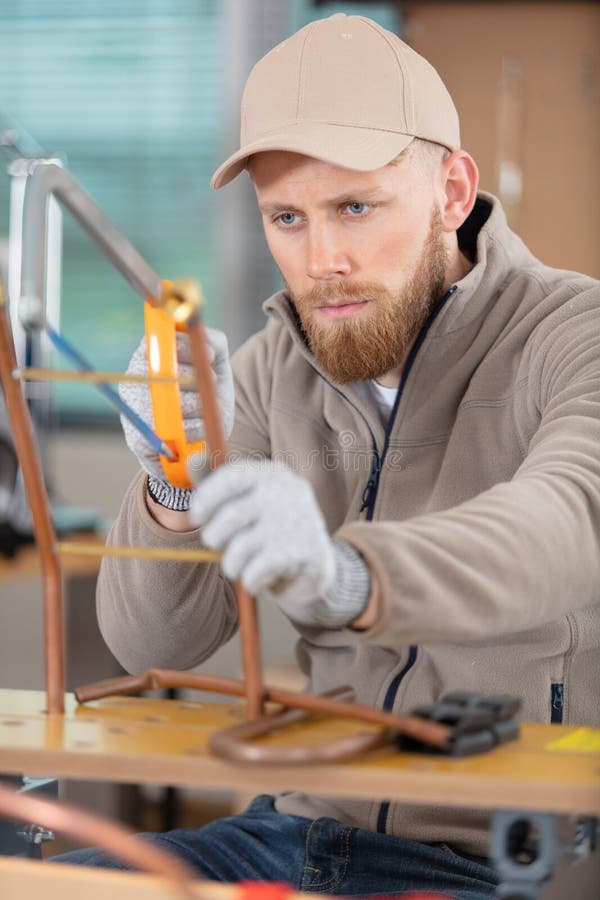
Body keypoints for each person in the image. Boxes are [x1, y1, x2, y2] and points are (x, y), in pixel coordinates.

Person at [57, 13, 600, 899]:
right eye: (286, 217)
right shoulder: (273, 367)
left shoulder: (575, 332)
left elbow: (572, 518)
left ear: (452, 193)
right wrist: (170, 483)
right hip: (296, 829)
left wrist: (349, 575)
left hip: (508, 857)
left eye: (356, 206)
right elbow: (155, 641)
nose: (323, 261)